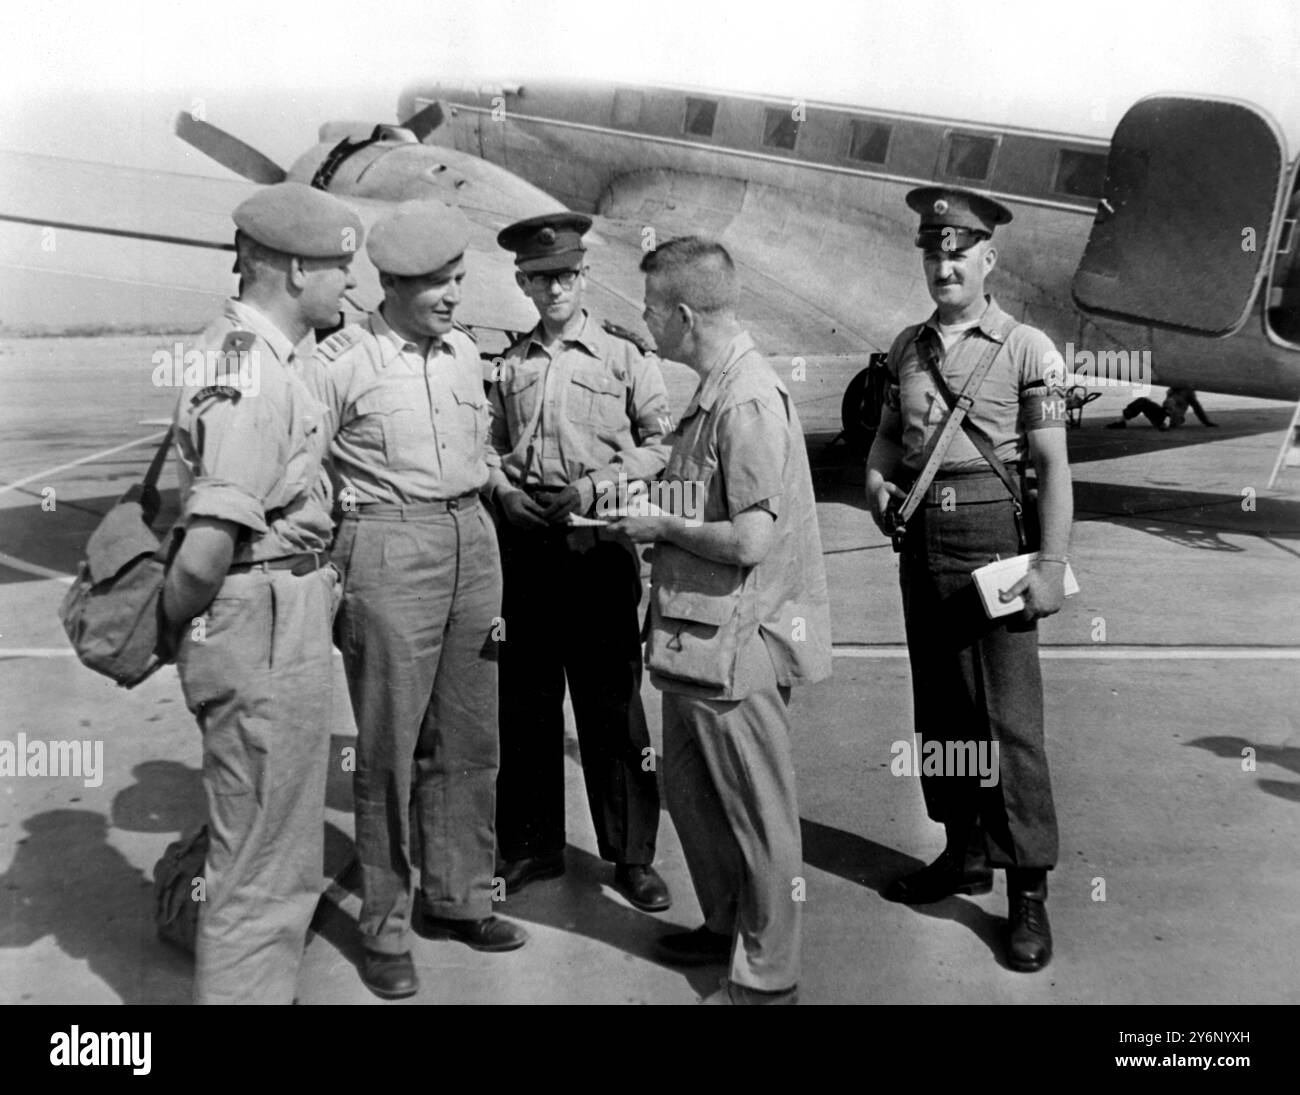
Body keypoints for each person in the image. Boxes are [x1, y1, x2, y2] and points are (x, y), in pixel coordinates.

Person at [303, 200, 526, 1001]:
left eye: (458, 279)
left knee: (469, 735)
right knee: (389, 748)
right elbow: (301, 467)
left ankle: (460, 895)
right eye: (438, 282)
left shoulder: (465, 352)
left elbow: (482, 447)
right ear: (393, 282)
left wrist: (502, 482)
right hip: (388, 548)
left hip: (473, 539)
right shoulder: (340, 362)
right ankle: (386, 928)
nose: (453, 296)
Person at [611, 237, 832, 1005]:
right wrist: (637, 508)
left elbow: (750, 538)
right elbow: (709, 501)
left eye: (648, 312)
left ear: (680, 314)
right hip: (695, 640)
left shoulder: (744, 401)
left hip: (737, 648)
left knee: (759, 813)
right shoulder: (714, 389)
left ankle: (769, 978)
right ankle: (725, 923)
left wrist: (659, 531)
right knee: (696, 796)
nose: (644, 326)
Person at [162, 181, 362, 1004]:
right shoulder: (250, 376)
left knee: (277, 858)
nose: (349, 284)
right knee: (257, 878)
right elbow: (207, 550)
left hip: (275, 611)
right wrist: (172, 626)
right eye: (338, 268)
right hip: (259, 620)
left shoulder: (270, 357)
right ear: (290, 269)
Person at [865, 186, 1073, 973]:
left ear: (990, 257)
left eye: (960, 250)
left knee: (1009, 720)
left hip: (995, 540)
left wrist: (1050, 566)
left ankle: (1027, 892)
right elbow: (887, 438)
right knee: (944, 704)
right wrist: (877, 483)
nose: (944, 263)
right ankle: (963, 851)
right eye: (933, 250)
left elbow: (1051, 467)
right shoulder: (907, 348)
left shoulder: (1028, 347)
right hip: (922, 539)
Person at [488, 212, 672, 911]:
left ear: (584, 275)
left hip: (597, 543)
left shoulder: (625, 356)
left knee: (610, 704)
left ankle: (632, 854)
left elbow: (660, 442)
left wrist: (600, 485)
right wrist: (504, 492)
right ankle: (534, 844)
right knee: (526, 700)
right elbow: (488, 441)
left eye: (565, 274)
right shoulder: (510, 362)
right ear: (524, 283)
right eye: (540, 278)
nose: (554, 288)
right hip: (527, 543)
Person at [1105, 386, 1218, 430]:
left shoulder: (1188, 392)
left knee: (1170, 401)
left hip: (1175, 419)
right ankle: (1121, 422)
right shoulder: (1172, 389)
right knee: (1142, 401)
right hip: (1162, 415)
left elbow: (1197, 408)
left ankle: (1165, 423)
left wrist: (1206, 422)